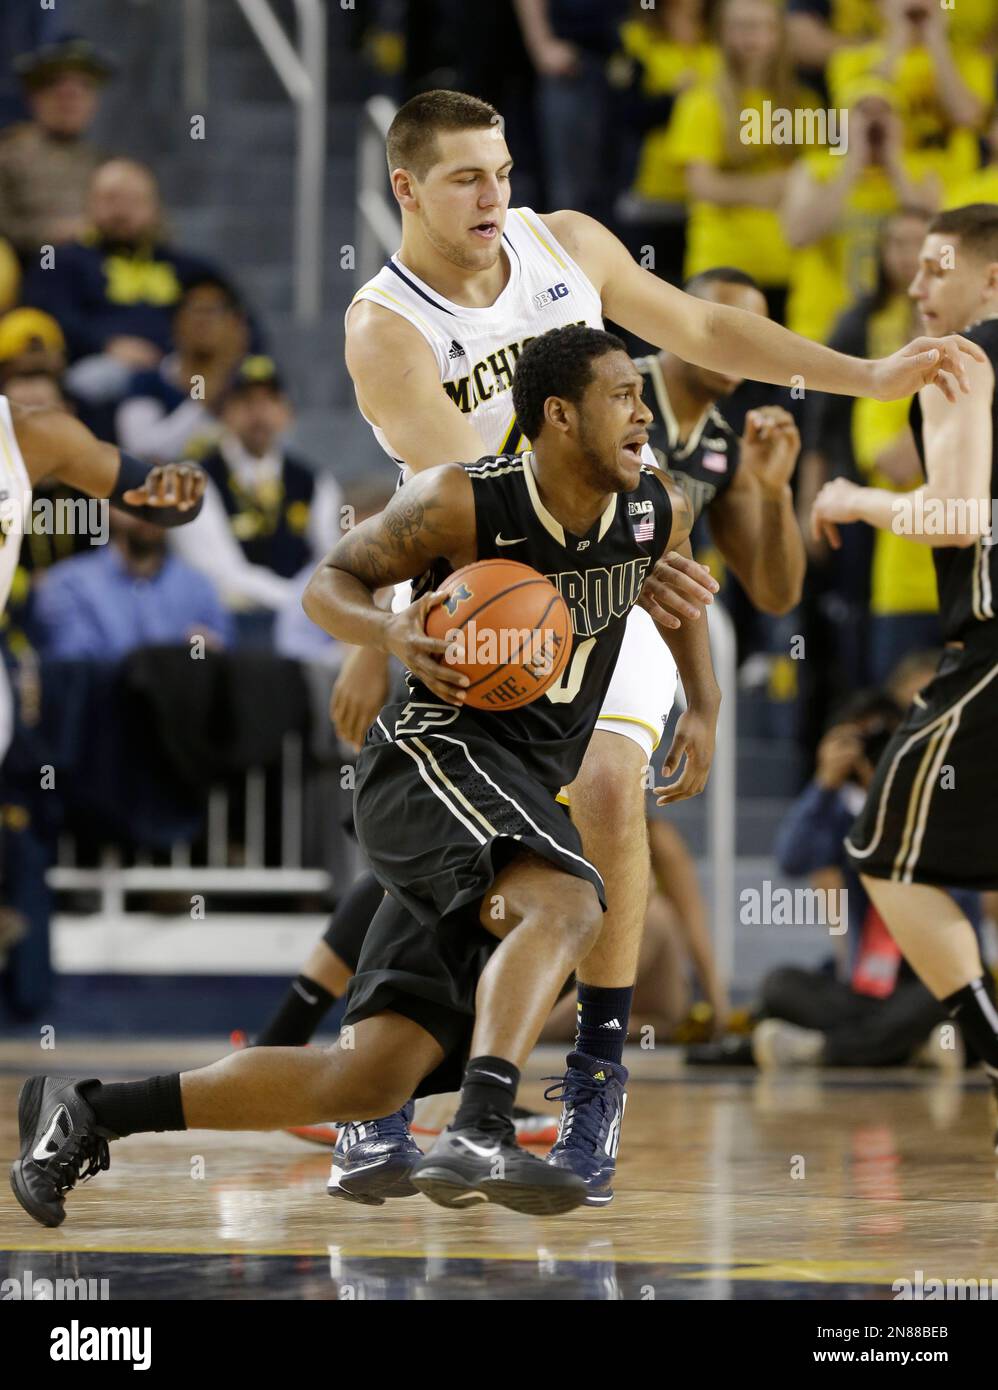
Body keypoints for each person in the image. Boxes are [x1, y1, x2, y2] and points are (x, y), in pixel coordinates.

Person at [258, 86, 978, 1201]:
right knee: (454, 840)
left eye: (500, 169)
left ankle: (596, 1080)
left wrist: (867, 373)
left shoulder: (570, 245)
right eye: (465, 177)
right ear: (405, 188)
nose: (495, 193)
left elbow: (704, 326)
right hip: (485, 596)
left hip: (599, 587)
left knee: (604, 785)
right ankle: (382, 1088)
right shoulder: (385, 325)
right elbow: (483, 496)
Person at [9, 324, 718, 1225]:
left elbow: (677, 583)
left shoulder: (655, 505)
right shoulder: (462, 502)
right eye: (623, 395)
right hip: (430, 756)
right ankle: (482, 1125)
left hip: (522, 787)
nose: (644, 412)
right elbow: (326, 583)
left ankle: (90, 1112)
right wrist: (386, 635)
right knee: (571, 906)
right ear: (558, 416)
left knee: (367, 1075)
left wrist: (703, 703)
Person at [810, 203, 998, 1148]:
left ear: (990, 283)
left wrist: (857, 496)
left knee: (881, 850)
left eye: (934, 269)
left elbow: (960, 518)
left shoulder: (960, 362)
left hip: (992, 649)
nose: (916, 289)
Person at [754, 687, 980, 1069]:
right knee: (779, 985)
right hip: (867, 987)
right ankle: (909, 1046)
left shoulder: (937, 803)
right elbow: (792, 858)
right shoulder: (842, 818)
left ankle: (820, 1050)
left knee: (940, 996)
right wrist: (824, 784)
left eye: (883, 740)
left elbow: (956, 893)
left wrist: (892, 791)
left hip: (932, 976)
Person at [664, 0, 820, 322]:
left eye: (763, 26)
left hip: (792, 270)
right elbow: (701, 185)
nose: (753, 37)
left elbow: (818, 178)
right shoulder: (701, 102)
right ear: (722, 32)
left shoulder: (803, 102)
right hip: (722, 270)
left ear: (780, 34)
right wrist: (776, 186)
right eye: (742, 26)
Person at [32, 511, 232, 661]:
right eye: (138, 498)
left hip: (180, 711)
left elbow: (216, 657)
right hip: (104, 711)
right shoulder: (69, 584)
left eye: (162, 500)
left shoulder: (198, 586)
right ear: (109, 507)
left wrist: (199, 652)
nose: (150, 510)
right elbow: (77, 669)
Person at [0, 37, 112, 258]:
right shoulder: (8, 156)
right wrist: (49, 234)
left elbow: (155, 227)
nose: (70, 97)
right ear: (34, 97)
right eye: (56, 86)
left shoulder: (109, 165)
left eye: (83, 87)